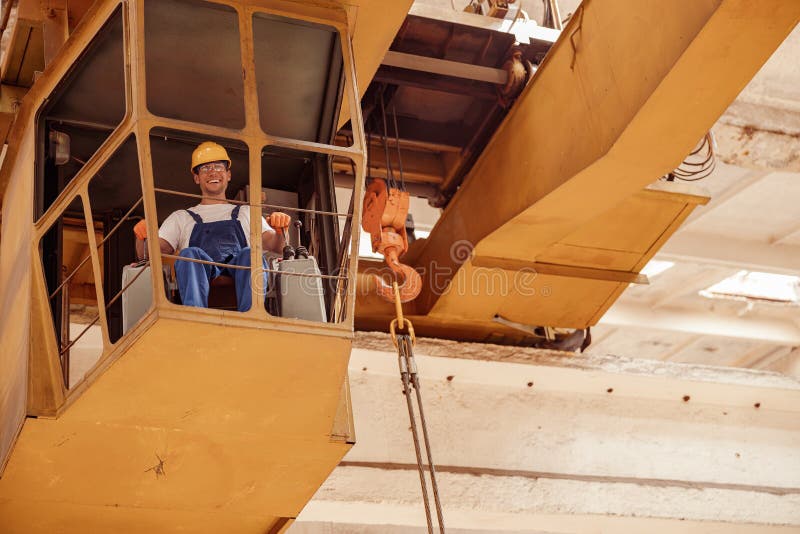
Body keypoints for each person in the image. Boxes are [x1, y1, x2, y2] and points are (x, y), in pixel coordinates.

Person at [133, 141, 290, 312]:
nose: (213, 172)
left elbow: (278, 246)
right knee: (189, 254)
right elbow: (148, 254)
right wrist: (142, 237)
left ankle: (253, 315)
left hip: (240, 271)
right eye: (206, 168)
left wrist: (281, 230)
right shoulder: (181, 217)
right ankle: (196, 315)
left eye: (218, 167)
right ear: (196, 177)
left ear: (228, 174)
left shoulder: (246, 212)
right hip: (200, 271)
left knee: (250, 254)